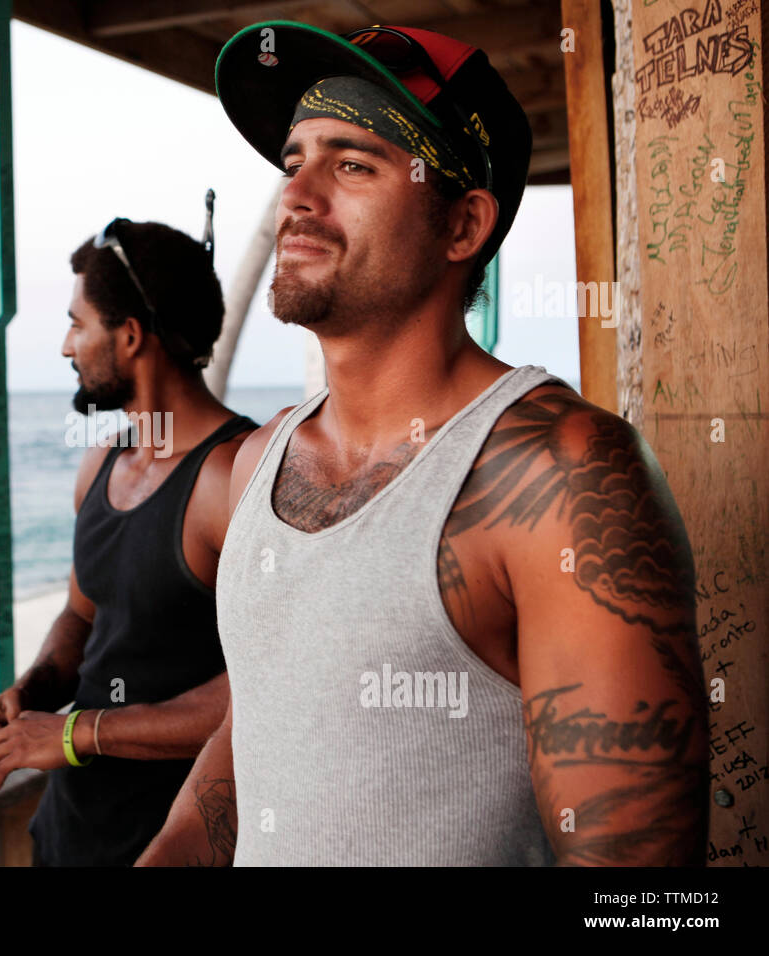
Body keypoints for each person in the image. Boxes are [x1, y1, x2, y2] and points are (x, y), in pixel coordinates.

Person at [139, 22, 707, 866]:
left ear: (462, 226)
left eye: (354, 164)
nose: (297, 194)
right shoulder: (252, 468)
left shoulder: (561, 472)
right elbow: (256, 747)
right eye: (295, 161)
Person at [0, 215, 257, 866]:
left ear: (130, 336)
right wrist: (34, 691)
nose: (67, 347)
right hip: (69, 830)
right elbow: (83, 613)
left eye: (78, 323)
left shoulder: (229, 478)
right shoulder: (100, 464)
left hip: (176, 843)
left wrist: (78, 733)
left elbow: (265, 690)